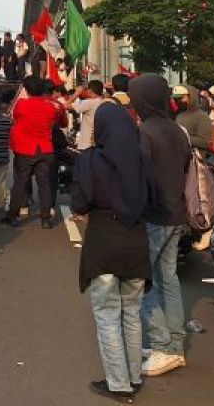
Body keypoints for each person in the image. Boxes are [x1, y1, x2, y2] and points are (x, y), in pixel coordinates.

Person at [72, 101, 151, 402]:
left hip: (103, 242)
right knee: (132, 313)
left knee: (107, 316)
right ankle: (133, 375)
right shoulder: (141, 158)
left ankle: (118, 384)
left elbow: (79, 203)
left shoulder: (89, 160)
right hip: (136, 243)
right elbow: (153, 198)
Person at [132, 74, 191, 379]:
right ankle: (176, 346)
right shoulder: (177, 130)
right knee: (169, 280)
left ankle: (162, 345)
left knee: (141, 282)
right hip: (177, 214)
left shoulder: (145, 132)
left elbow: (138, 178)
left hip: (154, 217)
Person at [1, 76, 65, 229]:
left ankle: (13, 216)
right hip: (44, 148)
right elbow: (62, 122)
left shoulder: (21, 105)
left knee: (20, 184)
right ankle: (45, 219)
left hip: (24, 149)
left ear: (27, 90)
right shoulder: (51, 107)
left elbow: (15, 118)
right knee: (44, 184)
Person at [67, 80, 106, 151]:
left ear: (90, 90)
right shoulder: (104, 101)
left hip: (86, 143)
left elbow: (65, 105)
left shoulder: (89, 102)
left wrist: (77, 93)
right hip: (99, 142)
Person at [171, 84, 212, 152]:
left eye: (181, 98)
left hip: (194, 158)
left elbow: (206, 142)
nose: (177, 101)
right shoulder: (179, 115)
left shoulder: (202, 116)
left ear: (191, 97)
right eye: (175, 99)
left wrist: (183, 138)